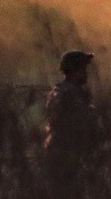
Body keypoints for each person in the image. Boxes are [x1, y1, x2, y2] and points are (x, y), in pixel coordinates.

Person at [43, 49, 103, 184]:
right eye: (82, 69)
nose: (86, 73)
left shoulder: (58, 91)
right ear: (73, 71)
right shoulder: (71, 94)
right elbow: (83, 124)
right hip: (69, 156)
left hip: (59, 154)